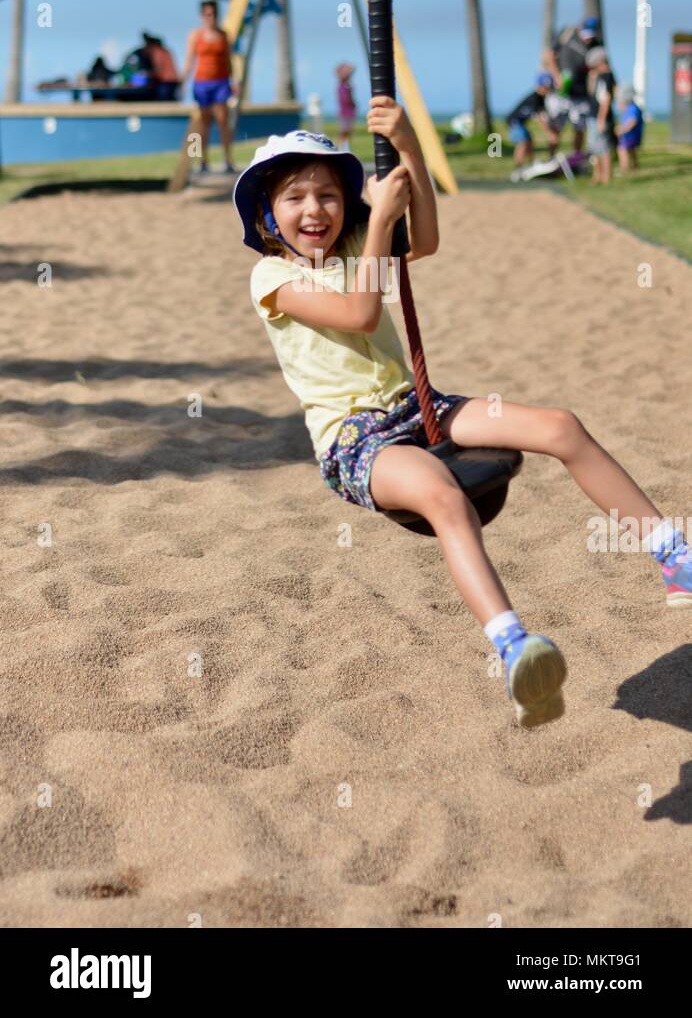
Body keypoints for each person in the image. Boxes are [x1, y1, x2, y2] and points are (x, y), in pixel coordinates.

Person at [232, 108, 692, 731]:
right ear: (266, 212)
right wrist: (379, 224)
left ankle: (671, 554)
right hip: (354, 441)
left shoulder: (349, 245)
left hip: (420, 406)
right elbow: (360, 313)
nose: (314, 210)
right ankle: (513, 646)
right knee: (443, 495)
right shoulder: (272, 276)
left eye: (329, 195)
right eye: (295, 198)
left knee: (560, 426)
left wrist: (409, 149)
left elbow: (425, 240)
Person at [179, 0, 239, 173]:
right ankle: (203, 161)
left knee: (222, 121)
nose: (210, 17)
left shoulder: (223, 35)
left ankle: (228, 160)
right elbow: (190, 61)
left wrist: (233, 81)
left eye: (212, 14)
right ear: (201, 16)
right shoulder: (195, 35)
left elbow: (228, 60)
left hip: (221, 82)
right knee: (203, 124)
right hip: (201, 83)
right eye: (206, 14)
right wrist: (183, 82)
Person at [546, 17, 602, 152]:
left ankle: (575, 159)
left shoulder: (596, 45)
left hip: (580, 94)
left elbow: (597, 67)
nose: (588, 39)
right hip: (560, 93)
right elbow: (549, 55)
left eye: (591, 35)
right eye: (586, 34)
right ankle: (551, 158)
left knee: (580, 128)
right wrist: (557, 77)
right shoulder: (567, 34)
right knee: (556, 127)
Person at [506, 73, 553, 167]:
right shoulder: (534, 98)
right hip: (514, 121)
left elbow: (544, 114)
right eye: (545, 87)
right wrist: (548, 132)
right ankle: (518, 166)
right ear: (539, 86)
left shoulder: (541, 98)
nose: (547, 90)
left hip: (521, 123)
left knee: (530, 141)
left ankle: (531, 164)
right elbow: (538, 117)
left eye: (549, 88)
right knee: (523, 141)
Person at [585, 47, 617, 185]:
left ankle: (606, 176)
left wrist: (601, 118)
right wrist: (592, 79)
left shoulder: (607, 76)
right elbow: (592, 93)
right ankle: (597, 175)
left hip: (600, 117)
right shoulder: (598, 76)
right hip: (593, 116)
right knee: (594, 148)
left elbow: (607, 99)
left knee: (603, 148)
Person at [142, 33, 181, 102]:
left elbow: (158, 71)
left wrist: (147, 75)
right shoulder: (166, 51)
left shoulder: (158, 52)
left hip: (166, 83)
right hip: (173, 82)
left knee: (162, 104)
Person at [614, 85, 644, 173]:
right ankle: (635, 167)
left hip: (630, 135)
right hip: (633, 135)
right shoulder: (632, 107)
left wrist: (622, 130)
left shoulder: (632, 109)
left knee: (622, 150)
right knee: (632, 151)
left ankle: (624, 169)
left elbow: (632, 121)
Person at [335, 63, 357, 151]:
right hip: (345, 112)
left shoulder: (346, 85)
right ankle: (341, 148)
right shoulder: (342, 86)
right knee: (344, 132)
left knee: (347, 133)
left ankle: (345, 148)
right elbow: (345, 99)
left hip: (349, 111)